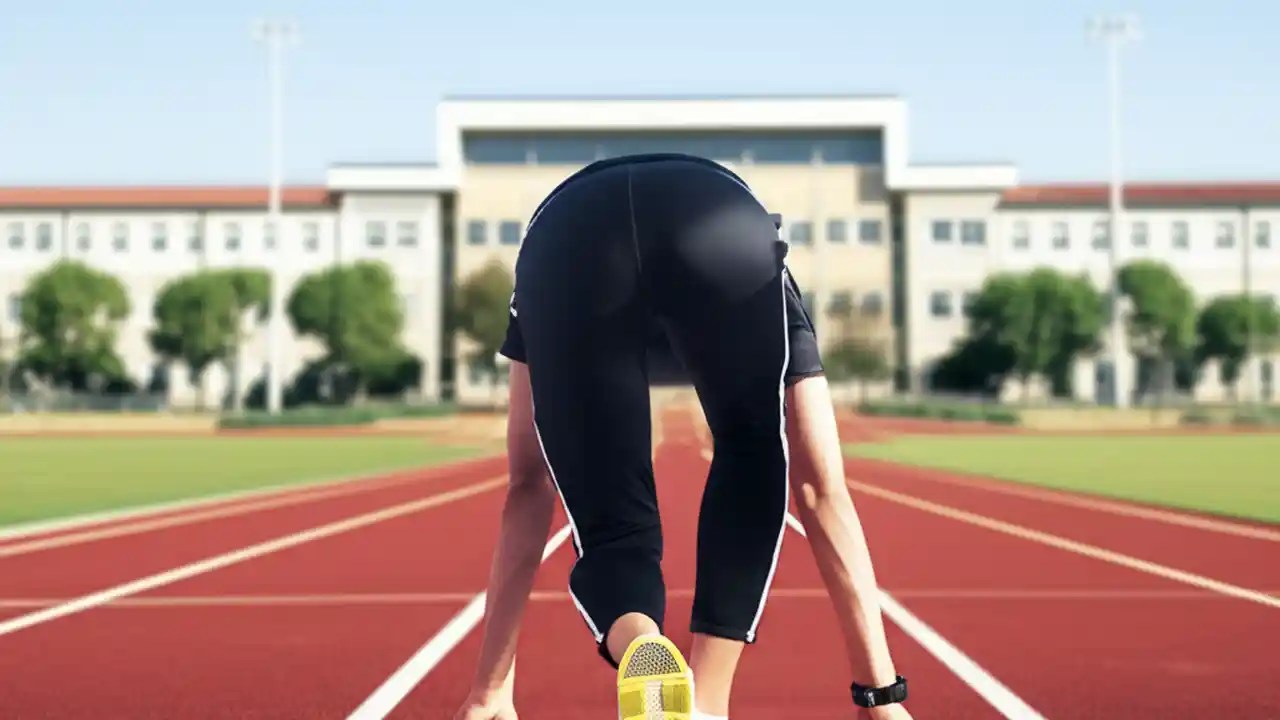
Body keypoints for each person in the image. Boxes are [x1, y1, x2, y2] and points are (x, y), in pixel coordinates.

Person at [455, 153, 912, 720]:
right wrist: (881, 695)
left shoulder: (545, 263)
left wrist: (489, 690)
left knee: (610, 520)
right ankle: (706, 702)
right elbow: (820, 484)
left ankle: (640, 642)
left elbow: (528, 483)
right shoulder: (773, 280)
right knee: (753, 447)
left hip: (567, 236)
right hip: (721, 219)